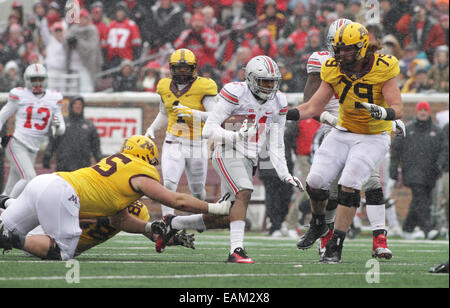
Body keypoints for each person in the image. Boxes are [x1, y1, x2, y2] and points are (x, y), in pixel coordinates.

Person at [0, 135, 232, 261]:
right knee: (62, 252)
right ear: (148, 157)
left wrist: (151, 227)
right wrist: (213, 207)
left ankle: (7, 224)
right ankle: (13, 239)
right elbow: (176, 201)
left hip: (45, 182)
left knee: (4, 225)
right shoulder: (141, 170)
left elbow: (119, 219)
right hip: (62, 193)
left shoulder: (114, 167)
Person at [287, 22, 403, 263]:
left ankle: (335, 246)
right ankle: (319, 223)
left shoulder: (383, 66)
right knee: (315, 182)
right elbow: (312, 106)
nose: (340, 55)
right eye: (337, 50)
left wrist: (385, 114)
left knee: (350, 183)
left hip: (372, 135)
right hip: (343, 130)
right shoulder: (331, 67)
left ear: (361, 48)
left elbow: (398, 107)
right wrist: (283, 113)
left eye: (346, 50)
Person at [202, 55, 302, 263]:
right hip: (227, 150)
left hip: (250, 158)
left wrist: (285, 174)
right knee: (245, 191)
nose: (269, 86)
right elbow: (208, 129)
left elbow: (276, 143)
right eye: (264, 81)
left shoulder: (279, 100)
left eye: (272, 82)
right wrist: (235, 136)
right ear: (251, 79)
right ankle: (236, 250)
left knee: (223, 214)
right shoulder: (236, 92)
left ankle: (173, 225)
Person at [145, 49, 218, 218]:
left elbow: (215, 117)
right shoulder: (164, 85)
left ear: (194, 68)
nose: (182, 72)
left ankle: (199, 219)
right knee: (169, 184)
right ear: (171, 68)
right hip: (173, 142)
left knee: (198, 189)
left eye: (186, 68)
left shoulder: (204, 85)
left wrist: (193, 114)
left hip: (197, 144)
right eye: (179, 68)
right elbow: (164, 113)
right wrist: (152, 128)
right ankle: (167, 222)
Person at [0, 199, 195, 259]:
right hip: (52, 230)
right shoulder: (102, 194)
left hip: (62, 242)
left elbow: (154, 236)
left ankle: (8, 203)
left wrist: (174, 239)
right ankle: (7, 201)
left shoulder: (137, 209)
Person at [0, 63, 65, 199]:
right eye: (34, 79)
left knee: (11, 186)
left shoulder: (54, 98)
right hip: (17, 144)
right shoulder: (20, 95)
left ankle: (4, 206)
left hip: (33, 148)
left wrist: (57, 126)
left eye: (40, 79)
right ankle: (7, 207)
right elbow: (2, 116)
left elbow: (60, 131)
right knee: (29, 178)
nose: (37, 83)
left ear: (45, 79)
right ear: (27, 79)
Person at [390, 101, 443, 240]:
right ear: (416, 112)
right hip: (412, 171)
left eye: (425, 110)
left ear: (429, 112)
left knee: (421, 200)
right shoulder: (408, 129)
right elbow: (396, 149)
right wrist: (393, 168)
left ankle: (408, 228)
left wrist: (440, 165)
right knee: (421, 199)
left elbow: (444, 150)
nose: (423, 112)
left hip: (431, 173)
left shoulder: (437, 131)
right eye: (421, 110)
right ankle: (428, 229)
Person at [258, 120, 298, 237]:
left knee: (286, 195)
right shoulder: (263, 121)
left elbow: (294, 143)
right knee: (272, 195)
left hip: (285, 164)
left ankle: (280, 222)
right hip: (267, 164)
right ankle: (275, 225)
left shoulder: (290, 123)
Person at [43, 96, 103, 172]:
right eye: (75, 104)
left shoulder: (89, 125)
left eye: (80, 104)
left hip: (83, 166)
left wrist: (100, 160)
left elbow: (96, 146)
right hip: (64, 165)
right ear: (71, 106)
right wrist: (47, 156)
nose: (78, 106)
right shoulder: (62, 123)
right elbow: (53, 142)